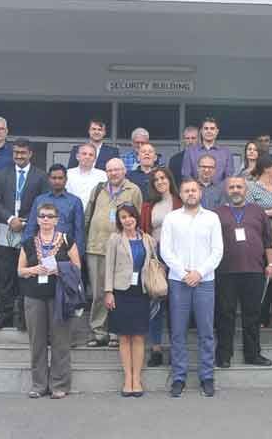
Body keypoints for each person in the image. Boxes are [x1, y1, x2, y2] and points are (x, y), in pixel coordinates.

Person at [160, 178, 224, 398]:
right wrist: (184, 273)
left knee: (206, 331)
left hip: (205, 281)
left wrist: (199, 273)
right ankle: (179, 377)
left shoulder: (212, 218)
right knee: (178, 331)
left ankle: (207, 376)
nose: (190, 193)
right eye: (186, 190)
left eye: (194, 190)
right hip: (179, 281)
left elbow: (217, 251)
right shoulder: (171, 218)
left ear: (200, 193)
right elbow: (166, 250)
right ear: (181, 194)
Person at [18, 202, 82, 399]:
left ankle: (59, 385)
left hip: (59, 297)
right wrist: (34, 269)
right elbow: (20, 270)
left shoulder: (67, 240)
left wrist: (59, 269)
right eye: (42, 216)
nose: (46, 219)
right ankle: (39, 385)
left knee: (60, 341)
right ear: (37, 220)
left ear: (56, 220)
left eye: (50, 216)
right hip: (33, 296)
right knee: (36, 342)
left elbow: (77, 268)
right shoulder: (28, 242)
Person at [215, 176, 272, 368]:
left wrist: (271, 264)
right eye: (232, 187)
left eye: (239, 187)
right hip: (225, 272)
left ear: (246, 190)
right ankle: (224, 355)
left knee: (252, 315)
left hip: (254, 271)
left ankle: (253, 354)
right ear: (226, 190)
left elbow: (268, 240)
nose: (235, 190)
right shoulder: (217, 213)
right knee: (225, 314)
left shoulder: (258, 211)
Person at [0, 139, 49, 332]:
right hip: (5, 227)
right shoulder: (2, 174)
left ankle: (23, 317)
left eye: (23, 152)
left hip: (30, 230)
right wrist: (10, 219)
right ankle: (5, 315)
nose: (19, 156)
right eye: (16, 152)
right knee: (5, 275)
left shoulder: (41, 176)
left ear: (30, 154)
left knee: (27, 274)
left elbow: (43, 203)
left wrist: (26, 222)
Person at [83, 158, 143, 347]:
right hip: (96, 247)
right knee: (99, 292)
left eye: (117, 170)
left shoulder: (133, 190)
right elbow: (88, 215)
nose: (113, 173)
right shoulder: (98, 189)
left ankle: (116, 331)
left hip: (122, 249)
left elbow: (138, 218)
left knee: (118, 291)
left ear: (124, 171)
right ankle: (98, 332)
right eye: (110, 170)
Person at [104, 203, 157, 397]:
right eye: (123, 217)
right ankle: (128, 378)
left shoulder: (148, 239)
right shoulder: (115, 239)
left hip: (141, 292)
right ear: (119, 220)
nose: (127, 220)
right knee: (124, 336)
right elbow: (108, 266)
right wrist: (108, 291)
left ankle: (137, 378)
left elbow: (154, 263)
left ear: (136, 217)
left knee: (139, 336)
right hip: (121, 292)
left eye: (130, 216)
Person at [139, 166, 182, 367]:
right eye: (156, 179)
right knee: (155, 305)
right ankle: (155, 349)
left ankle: (176, 349)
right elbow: (143, 232)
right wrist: (152, 258)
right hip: (155, 258)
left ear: (170, 180)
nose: (160, 182)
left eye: (163, 178)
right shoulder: (148, 206)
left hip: (178, 258)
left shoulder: (180, 202)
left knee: (176, 306)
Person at [247, 153, 272, 327]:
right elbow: (248, 212)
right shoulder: (251, 187)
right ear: (266, 168)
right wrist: (271, 212)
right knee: (262, 279)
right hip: (259, 239)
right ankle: (260, 316)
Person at [25, 164, 85, 252]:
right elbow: (31, 226)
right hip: (41, 248)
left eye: (60, 178)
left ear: (66, 179)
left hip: (66, 249)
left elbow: (79, 231)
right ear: (49, 179)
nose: (57, 181)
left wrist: (78, 254)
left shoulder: (75, 201)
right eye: (54, 178)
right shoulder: (39, 200)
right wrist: (27, 250)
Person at [181, 117, 234, 183]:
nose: (209, 131)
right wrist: (196, 187)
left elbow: (229, 176)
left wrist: (217, 188)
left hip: (220, 189)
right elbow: (186, 175)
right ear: (201, 131)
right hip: (195, 189)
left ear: (217, 131)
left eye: (212, 128)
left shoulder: (226, 152)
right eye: (206, 128)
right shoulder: (190, 152)